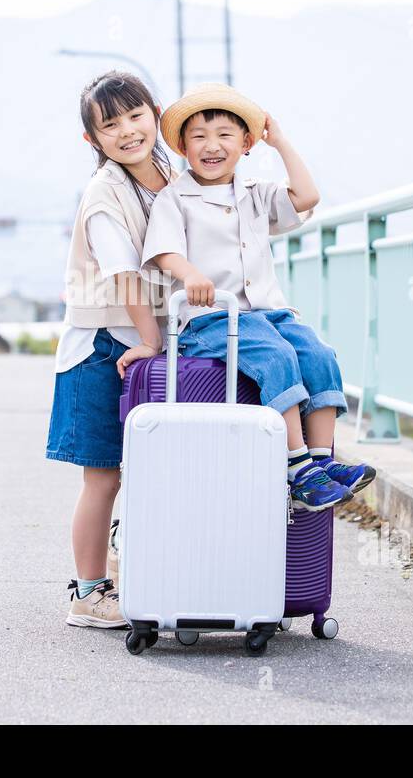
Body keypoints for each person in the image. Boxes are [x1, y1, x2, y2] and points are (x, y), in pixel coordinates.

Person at [140, 82, 375, 511]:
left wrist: (280, 142)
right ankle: (298, 467)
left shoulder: (256, 192)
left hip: (269, 313)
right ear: (182, 148)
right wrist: (190, 273)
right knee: (276, 356)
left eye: (225, 135)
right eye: (199, 137)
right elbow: (164, 251)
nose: (212, 146)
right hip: (212, 320)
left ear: (246, 144)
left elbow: (307, 196)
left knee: (318, 354)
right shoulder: (175, 200)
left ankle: (323, 461)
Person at [45, 70, 173, 628]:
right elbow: (125, 275)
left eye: (135, 114)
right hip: (101, 346)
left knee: (152, 468)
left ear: (157, 113)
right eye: (109, 124)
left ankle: (125, 566)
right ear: (92, 141)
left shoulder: (172, 177)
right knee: (103, 476)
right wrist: (151, 339)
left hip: (148, 344)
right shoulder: (105, 195)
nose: (127, 130)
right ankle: (88, 592)